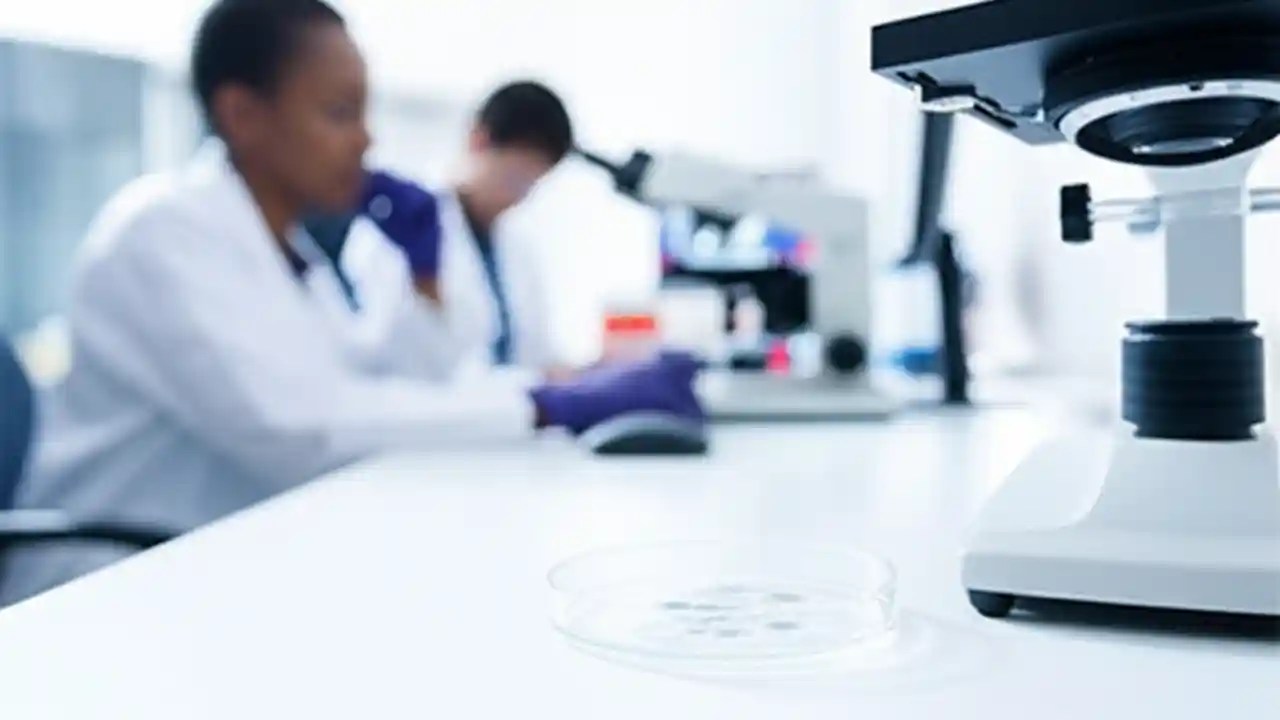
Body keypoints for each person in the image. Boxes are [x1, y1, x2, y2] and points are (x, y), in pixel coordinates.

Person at [0, 0, 702, 606]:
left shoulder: (292, 252)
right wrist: (545, 404)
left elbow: (381, 386)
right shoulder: (163, 234)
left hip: (227, 558)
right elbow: (301, 432)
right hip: (109, 582)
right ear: (242, 113)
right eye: (340, 112)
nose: (367, 139)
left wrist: (424, 277)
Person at [311, 80, 576, 374]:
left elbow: (538, 356)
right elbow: (388, 359)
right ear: (479, 141)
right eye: (514, 177)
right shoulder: (404, 228)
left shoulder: (517, 249)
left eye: (531, 184)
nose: (518, 197)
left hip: (505, 414)